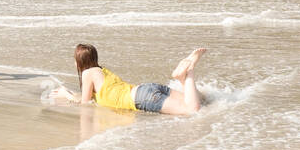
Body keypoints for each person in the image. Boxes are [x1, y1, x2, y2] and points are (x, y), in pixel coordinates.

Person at [52, 43, 207, 116]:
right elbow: (90, 98)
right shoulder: (101, 71)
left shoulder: (87, 73)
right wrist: (71, 93)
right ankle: (182, 79)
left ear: (79, 61)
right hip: (146, 89)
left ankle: (190, 70)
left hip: (142, 98)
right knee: (203, 101)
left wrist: (66, 95)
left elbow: (85, 104)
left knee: (192, 110)